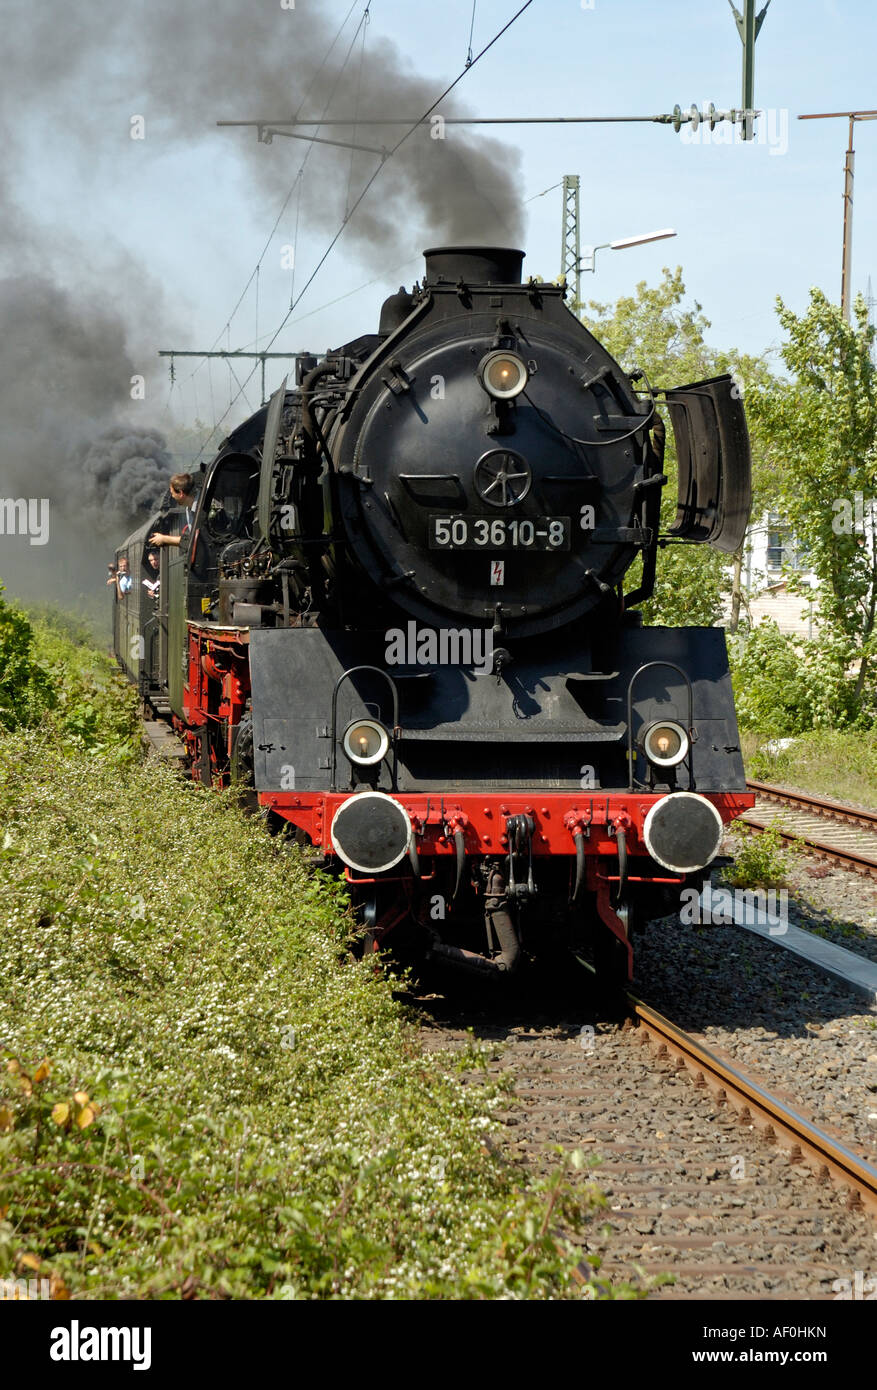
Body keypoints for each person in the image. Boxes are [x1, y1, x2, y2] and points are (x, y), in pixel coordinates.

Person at [149, 473, 198, 549]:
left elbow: (198, 540)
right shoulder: (189, 509)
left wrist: (165, 539)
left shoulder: (204, 508)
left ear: (181, 493)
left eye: (173, 493)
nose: (172, 496)